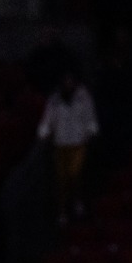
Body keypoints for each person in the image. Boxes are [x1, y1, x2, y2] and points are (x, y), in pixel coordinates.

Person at [39, 73, 99, 223]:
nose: (68, 84)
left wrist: (91, 131)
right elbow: (48, 119)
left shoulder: (83, 97)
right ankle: (62, 211)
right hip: (60, 144)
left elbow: (90, 117)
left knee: (75, 173)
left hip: (78, 142)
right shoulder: (55, 99)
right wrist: (43, 133)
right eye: (65, 81)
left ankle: (77, 201)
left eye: (70, 81)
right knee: (61, 179)